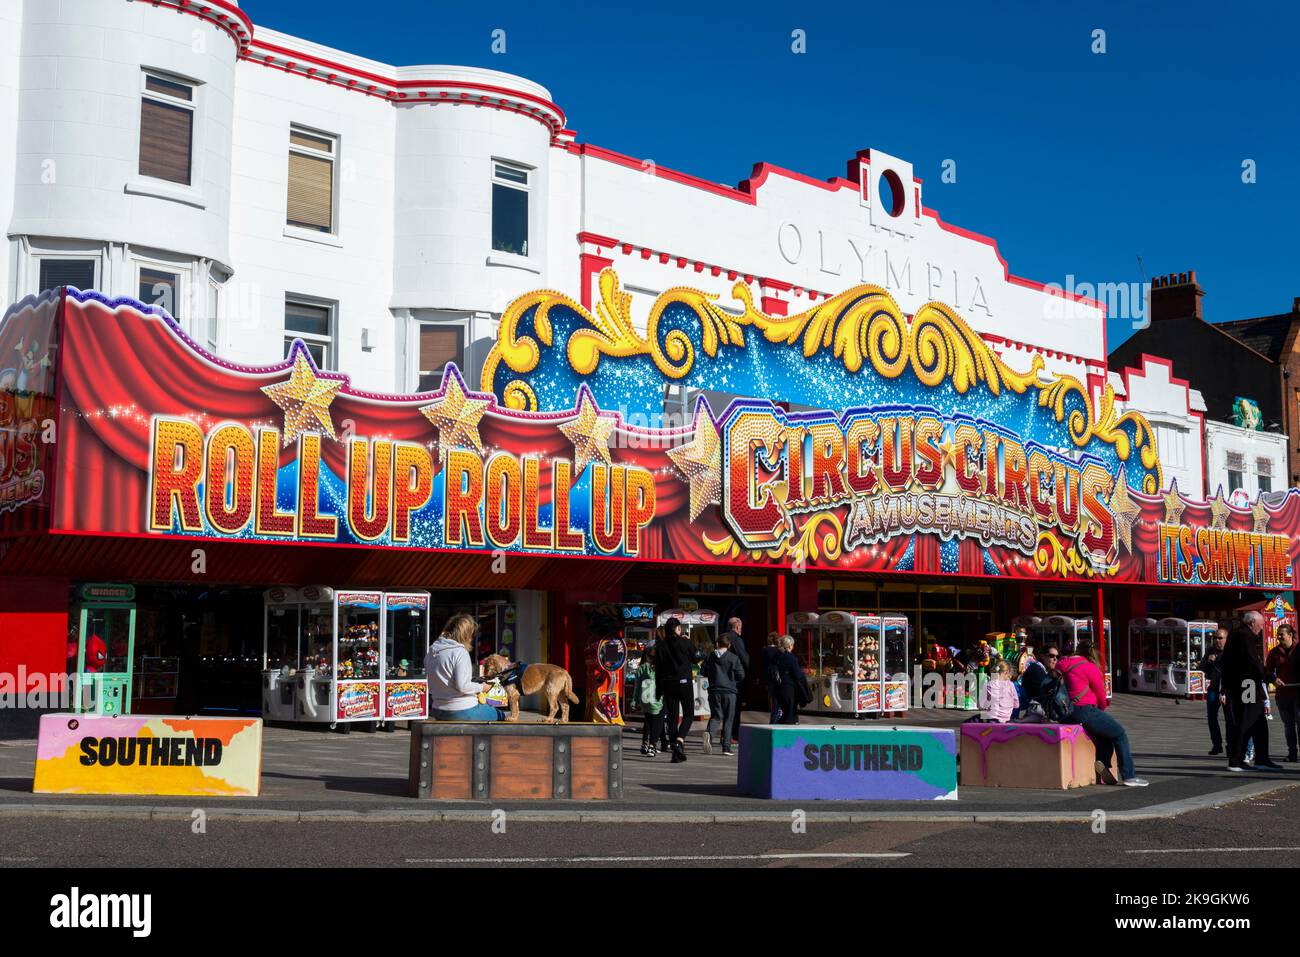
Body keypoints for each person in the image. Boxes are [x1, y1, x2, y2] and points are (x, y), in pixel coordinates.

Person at [1058, 640, 1148, 786]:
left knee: (1105, 735)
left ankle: (1103, 764)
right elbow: (1101, 694)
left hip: (1066, 711)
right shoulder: (1089, 667)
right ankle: (1129, 776)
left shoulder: (1062, 663)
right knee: (1119, 733)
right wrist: (1101, 708)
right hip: (1085, 709)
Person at [1223, 611, 1281, 771]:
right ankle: (1236, 759)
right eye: (1260, 625)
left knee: (1259, 722)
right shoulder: (1244, 636)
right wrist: (1271, 677)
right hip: (1246, 684)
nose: (1261, 629)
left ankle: (1262, 758)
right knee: (1246, 721)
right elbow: (1253, 661)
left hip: (1245, 684)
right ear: (1251, 623)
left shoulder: (1238, 635)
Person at [425, 614, 500, 721]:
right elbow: (463, 686)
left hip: (437, 709)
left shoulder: (431, 652)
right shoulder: (460, 652)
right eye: (471, 635)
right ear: (465, 634)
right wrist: (482, 687)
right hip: (462, 709)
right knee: (499, 714)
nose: (471, 638)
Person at [656, 616, 698, 763]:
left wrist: (658, 689)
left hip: (668, 683)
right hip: (684, 682)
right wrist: (689, 642)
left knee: (672, 717)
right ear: (678, 629)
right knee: (688, 714)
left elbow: (658, 669)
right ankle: (679, 741)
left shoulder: (660, 645)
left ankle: (675, 751)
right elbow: (695, 658)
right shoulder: (684, 642)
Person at [702, 634, 745, 755]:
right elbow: (740, 675)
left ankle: (709, 735)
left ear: (717, 644)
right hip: (729, 691)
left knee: (716, 716)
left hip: (714, 691)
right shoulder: (733, 658)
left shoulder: (710, 656)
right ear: (729, 645)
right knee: (728, 719)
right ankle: (726, 747)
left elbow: (703, 670)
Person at [1265, 622, 1299, 762]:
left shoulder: (1299, 649)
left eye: (1281, 634)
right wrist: (1274, 679)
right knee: (1288, 725)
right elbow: (1267, 671)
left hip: (1298, 692)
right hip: (1283, 694)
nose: (1279, 637)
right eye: (1278, 635)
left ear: (1290, 635)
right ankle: (1292, 753)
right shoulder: (1274, 652)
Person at [1198, 627, 1231, 756]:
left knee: (1229, 719)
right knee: (1211, 717)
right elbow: (1202, 667)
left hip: (1227, 689)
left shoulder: (1231, 652)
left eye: (1220, 638)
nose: (1217, 640)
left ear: (1227, 639)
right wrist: (1208, 662)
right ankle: (1217, 745)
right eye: (1215, 638)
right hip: (1214, 688)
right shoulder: (1211, 650)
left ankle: (1230, 745)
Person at [721, 616, 748, 748]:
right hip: (734, 678)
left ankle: (724, 734)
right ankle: (732, 735)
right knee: (735, 708)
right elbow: (744, 658)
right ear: (737, 627)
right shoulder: (737, 639)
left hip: (721, 678)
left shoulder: (722, 637)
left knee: (723, 709)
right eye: (741, 627)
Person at [633, 644, 664, 756]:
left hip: (644, 700)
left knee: (648, 721)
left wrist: (634, 700)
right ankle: (652, 745)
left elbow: (636, 686)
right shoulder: (660, 668)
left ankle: (644, 743)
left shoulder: (641, 668)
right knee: (656, 723)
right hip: (656, 699)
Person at [771, 635, 807, 725]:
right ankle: (787, 735)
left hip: (778, 687)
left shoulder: (776, 655)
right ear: (790, 645)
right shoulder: (790, 657)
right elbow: (797, 674)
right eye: (792, 645)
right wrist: (803, 673)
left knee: (784, 712)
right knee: (790, 714)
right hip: (789, 688)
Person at [762, 632, 783, 723]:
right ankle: (775, 721)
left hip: (768, 679)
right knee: (778, 702)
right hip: (777, 679)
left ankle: (773, 719)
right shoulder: (778, 651)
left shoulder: (764, 650)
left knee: (774, 700)